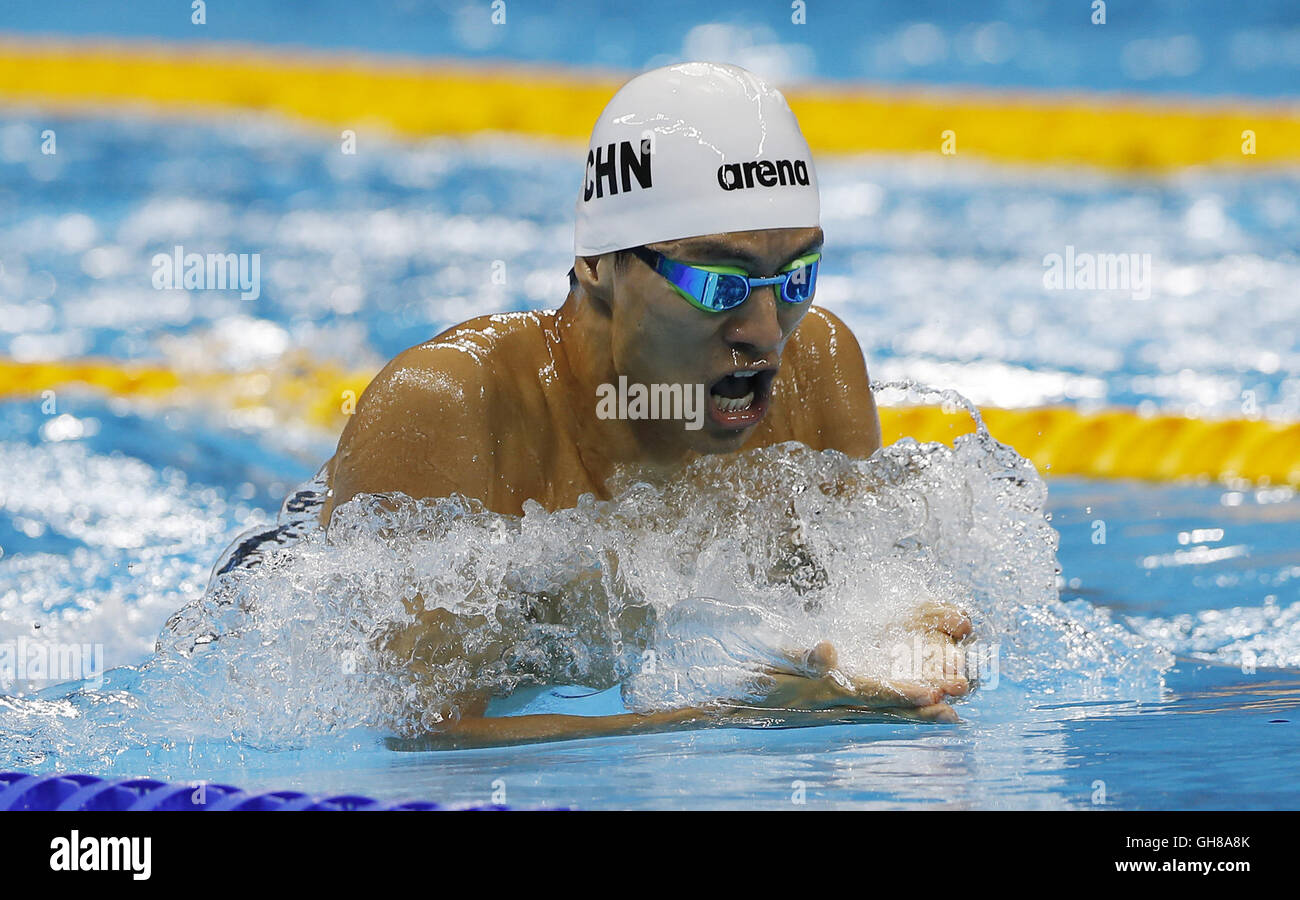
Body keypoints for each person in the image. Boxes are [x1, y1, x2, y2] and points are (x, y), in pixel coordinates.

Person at [318, 62, 972, 748]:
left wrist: (910, 645)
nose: (765, 332)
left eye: (795, 277)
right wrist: (744, 712)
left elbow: (853, 611)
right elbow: (424, 736)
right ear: (599, 264)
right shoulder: (451, 408)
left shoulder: (818, 367)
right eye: (718, 282)